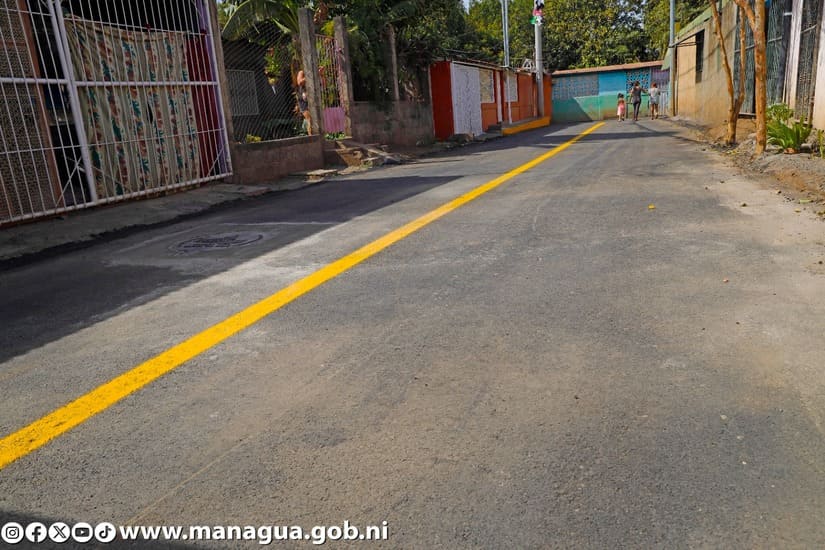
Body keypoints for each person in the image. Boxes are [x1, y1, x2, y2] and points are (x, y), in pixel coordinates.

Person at [295, 70, 311, 135]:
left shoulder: (316, 71)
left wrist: (321, 74)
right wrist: (312, 75)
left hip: (315, 99)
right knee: (310, 119)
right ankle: (312, 138)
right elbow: (299, 82)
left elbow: (324, 84)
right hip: (304, 100)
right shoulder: (302, 72)